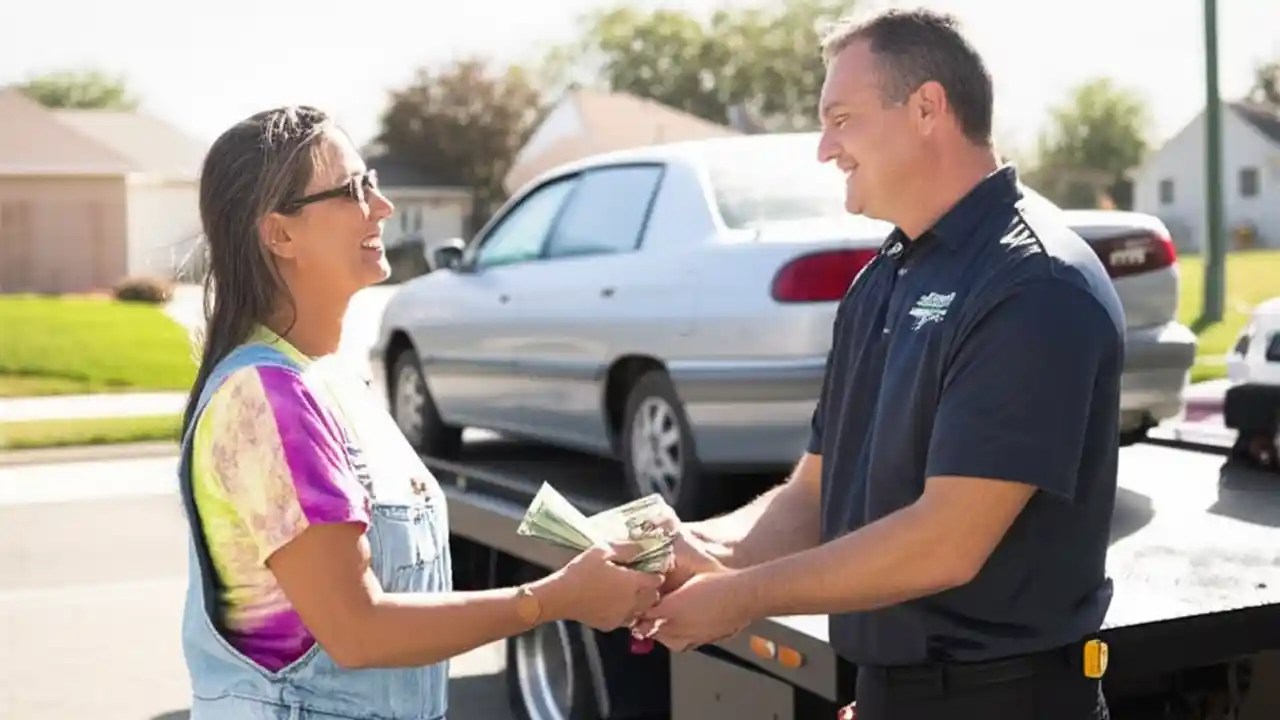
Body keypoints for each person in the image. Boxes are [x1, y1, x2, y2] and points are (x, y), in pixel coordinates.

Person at [637, 9, 1122, 720]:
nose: (824, 149)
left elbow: (945, 543)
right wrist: (693, 548)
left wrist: (740, 598)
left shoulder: (1032, 283)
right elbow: (813, 497)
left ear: (927, 107)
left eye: (841, 119)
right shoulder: (884, 279)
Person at [176, 105, 663, 719]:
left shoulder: (331, 381)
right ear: (280, 234)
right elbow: (357, 630)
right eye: (353, 189)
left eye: (373, 182)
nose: (382, 207)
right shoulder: (267, 397)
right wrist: (552, 601)